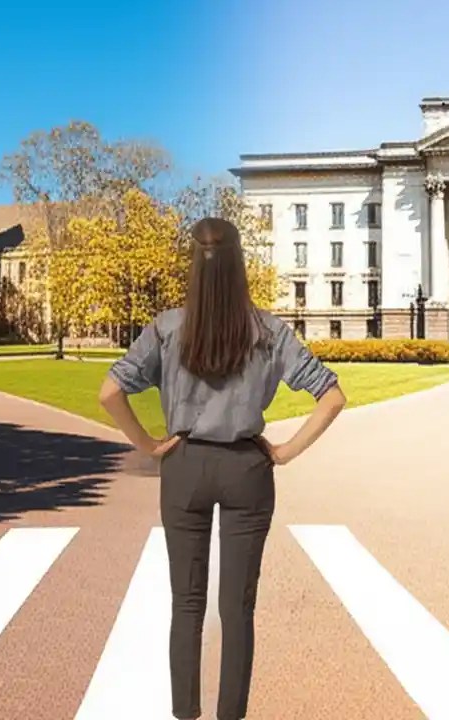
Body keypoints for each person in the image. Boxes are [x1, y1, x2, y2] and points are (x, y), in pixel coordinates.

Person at [98, 216, 347, 720]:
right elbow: (332, 397)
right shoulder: (269, 330)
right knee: (237, 610)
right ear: (239, 265)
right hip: (246, 471)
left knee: (186, 604)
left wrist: (148, 444)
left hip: (184, 466)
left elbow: (109, 391)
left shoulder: (167, 328)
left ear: (193, 264)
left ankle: (185, 714)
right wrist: (283, 451)